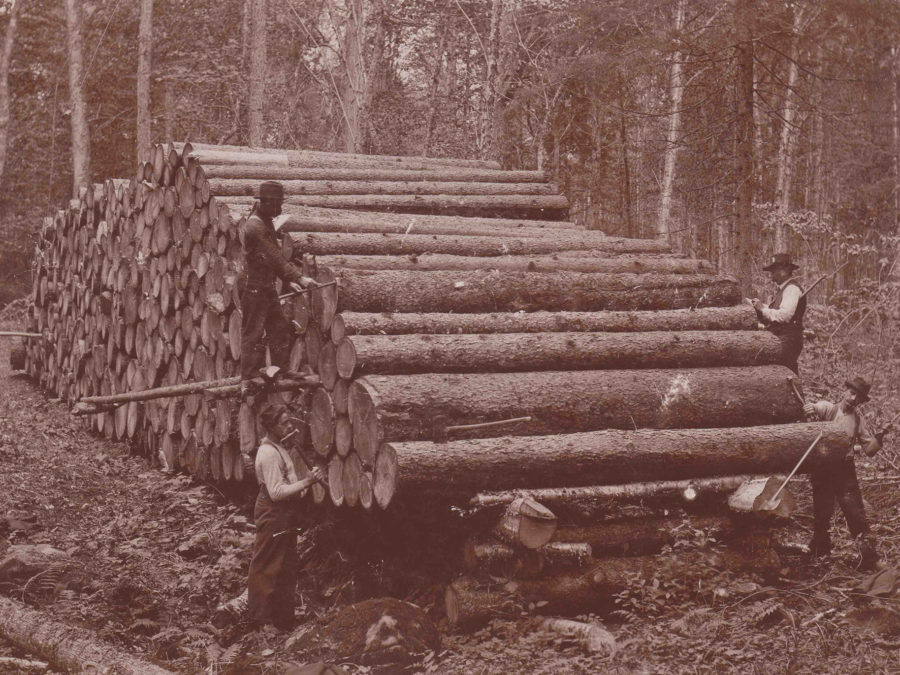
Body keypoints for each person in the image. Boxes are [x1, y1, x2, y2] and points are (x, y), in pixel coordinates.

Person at [247, 402, 324, 631]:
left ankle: (283, 619)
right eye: (284, 423)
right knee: (267, 565)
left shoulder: (280, 446)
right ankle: (261, 621)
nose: (289, 425)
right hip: (272, 511)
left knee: (286, 565)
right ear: (271, 427)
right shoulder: (268, 452)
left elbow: (292, 487)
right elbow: (276, 492)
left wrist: (307, 483)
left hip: (284, 512)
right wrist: (307, 481)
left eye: (289, 421)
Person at [803, 376, 885, 570]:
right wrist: (808, 409)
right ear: (845, 391)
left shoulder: (858, 421)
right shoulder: (827, 408)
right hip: (822, 469)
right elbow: (810, 410)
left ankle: (869, 558)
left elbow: (869, 451)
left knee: (855, 512)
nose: (853, 399)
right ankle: (820, 552)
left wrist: (880, 437)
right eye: (852, 393)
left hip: (845, 470)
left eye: (859, 397)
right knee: (822, 512)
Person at [240, 181, 314, 383]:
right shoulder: (255, 226)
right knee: (253, 331)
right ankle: (249, 376)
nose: (280, 209)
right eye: (278, 204)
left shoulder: (265, 221)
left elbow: (272, 257)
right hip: (254, 287)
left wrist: (287, 280)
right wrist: (297, 277)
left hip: (266, 285)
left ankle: (281, 369)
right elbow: (274, 256)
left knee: (279, 328)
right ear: (268, 203)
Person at [750, 253, 806, 373]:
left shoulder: (791, 289)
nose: (772, 276)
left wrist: (763, 310)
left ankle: (795, 391)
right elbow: (778, 311)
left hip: (788, 339)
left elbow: (784, 316)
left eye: (773, 272)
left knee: (786, 373)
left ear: (783, 271)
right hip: (782, 338)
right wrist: (760, 307)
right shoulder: (784, 289)